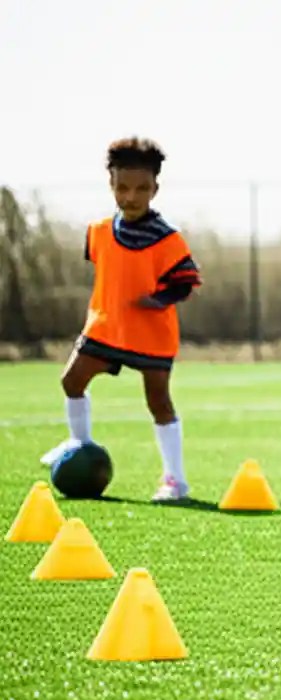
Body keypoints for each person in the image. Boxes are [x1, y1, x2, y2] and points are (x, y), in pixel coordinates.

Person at [39, 137, 202, 503]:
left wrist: (156, 299)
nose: (131, 196)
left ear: (155, 189)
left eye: (142, 188)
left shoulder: (168, 239)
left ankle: (175, 481)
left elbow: (187, 283)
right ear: (110, 183)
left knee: (158, 402)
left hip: (151, 335)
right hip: (105, 327)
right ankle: (79, 444)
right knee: (71, 380)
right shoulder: (97, 232)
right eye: (122, 187)